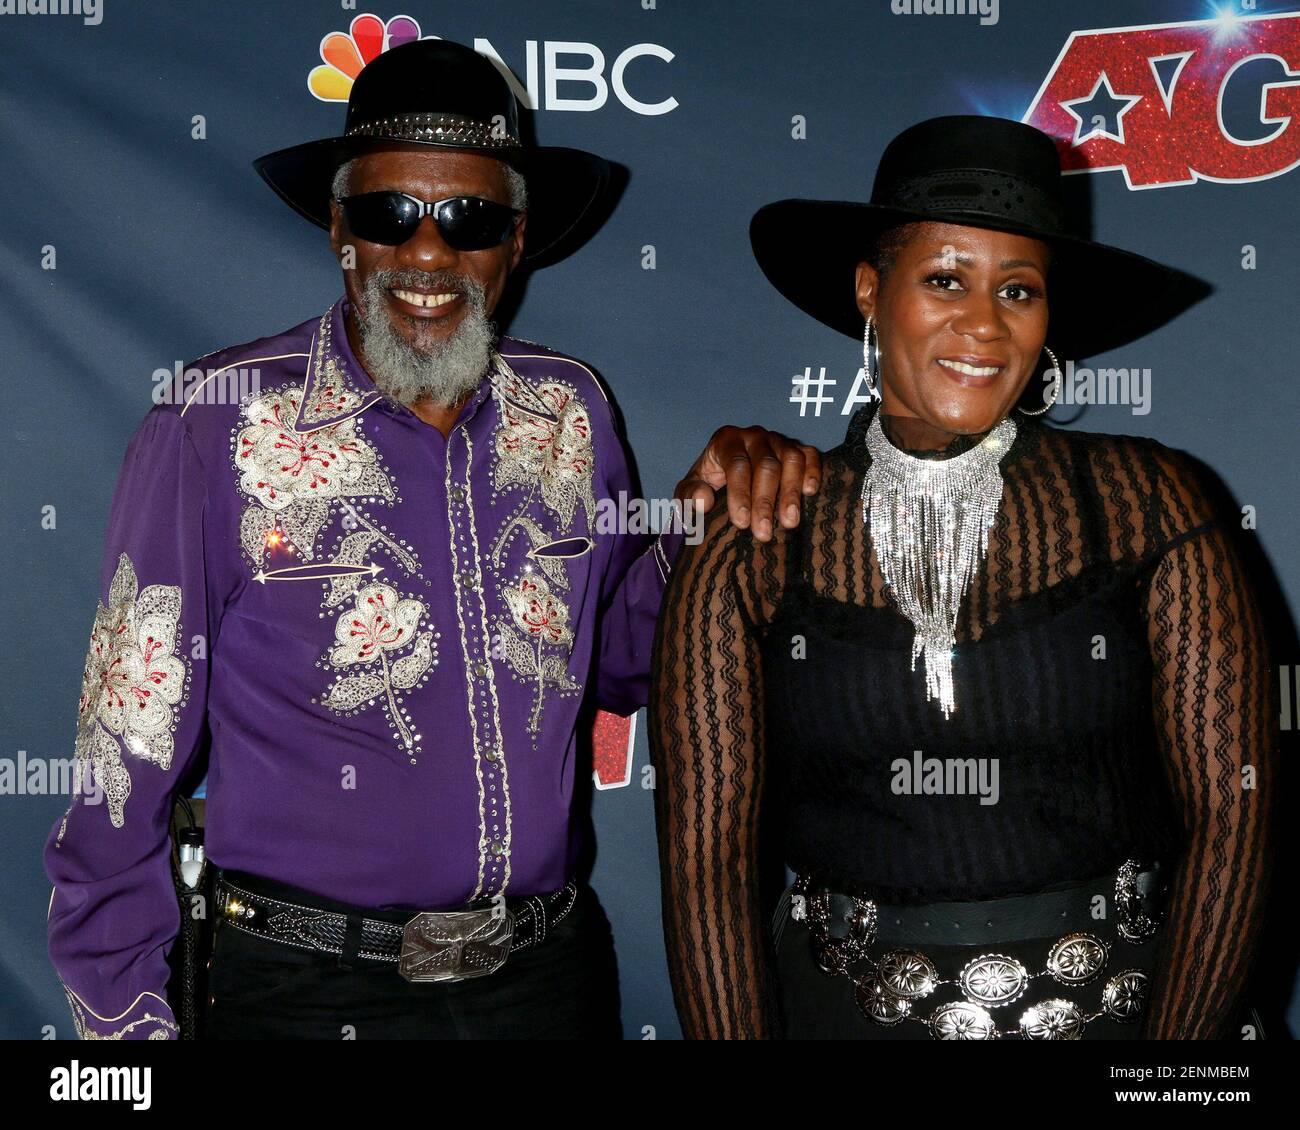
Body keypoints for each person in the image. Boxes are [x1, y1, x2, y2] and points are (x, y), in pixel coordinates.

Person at [44, 38, 822, 1041]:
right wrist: (123, 1029)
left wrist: (702, 528)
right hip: (305, 993)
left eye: (470, 220)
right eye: (387, 213)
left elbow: (624, 663)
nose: (426, 253)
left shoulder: (569, 410)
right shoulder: (219, 419)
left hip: (545, 980)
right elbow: (124, 753)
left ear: (518, 240)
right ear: (339, 229)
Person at [649, 115, 1277, 1040]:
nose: (984, 324)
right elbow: (705, 869)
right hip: (844, 1016)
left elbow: (1236, 813)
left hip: (1131, 1015)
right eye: (946, 278)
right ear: (870, 289)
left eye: (1018, 290)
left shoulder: (1150, 502)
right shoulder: (752, 536)